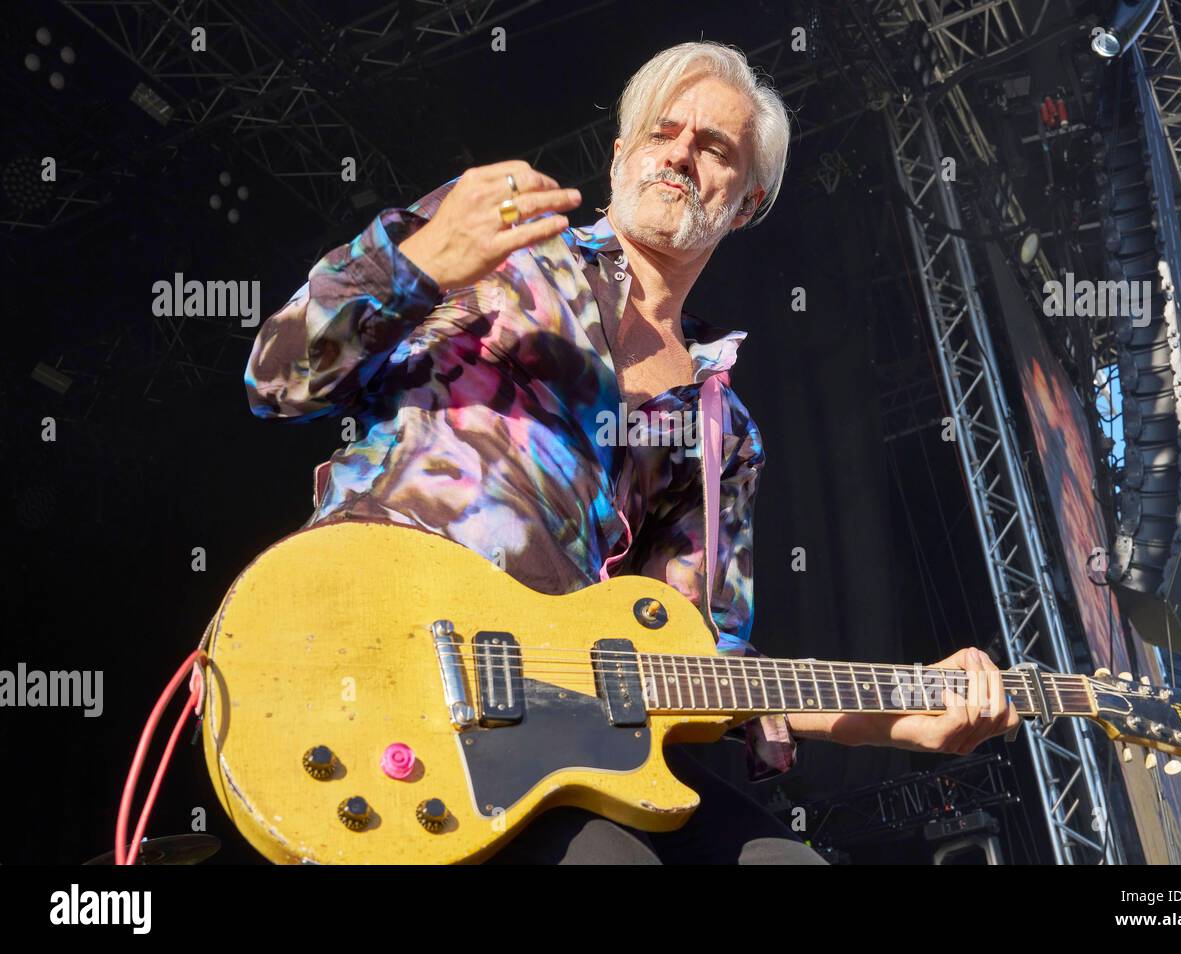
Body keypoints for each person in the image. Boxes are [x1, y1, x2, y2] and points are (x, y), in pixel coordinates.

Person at [245, 40, 1019, 864]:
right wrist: (422, 261)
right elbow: (275, 377)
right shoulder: (504, 250)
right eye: (663, 131)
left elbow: (700, 661)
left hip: (541, 718)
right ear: (621, 153)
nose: (681, 152)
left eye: (714, 146)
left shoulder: (723, 428)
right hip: (367, 644)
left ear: (748, 199)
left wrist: (898, 718)